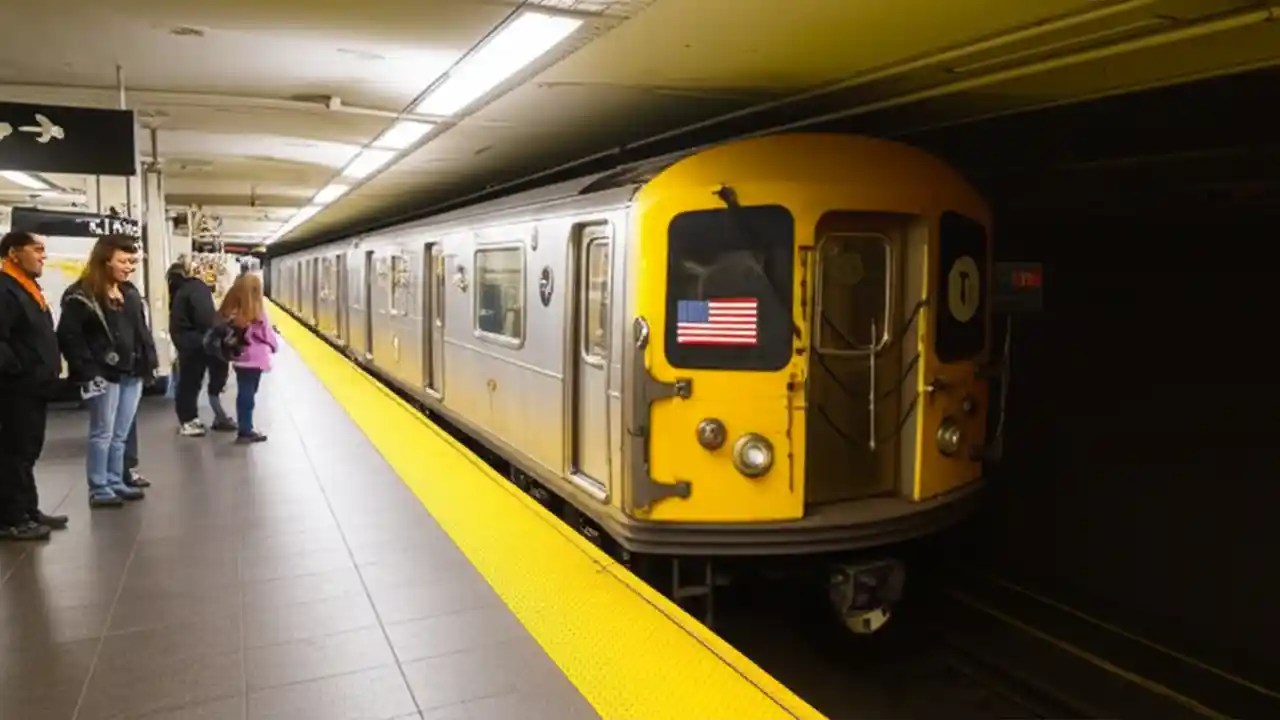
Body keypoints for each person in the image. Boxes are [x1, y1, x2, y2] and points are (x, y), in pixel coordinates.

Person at [57, 235, 155, 508]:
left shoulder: (129, 292)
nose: (129, 267)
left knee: (120, 432)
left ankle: (115, 480)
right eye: (123, 261)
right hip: (102, 375)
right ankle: (99, 487)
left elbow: (140, 331)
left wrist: (148, 363)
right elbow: (69, 336)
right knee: (102, 432)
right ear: (105, 260)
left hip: (131, 372)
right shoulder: (81, 295)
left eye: (132, 261)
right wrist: (89, 370)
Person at [0, 231, 68, 540]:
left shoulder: (25, 286)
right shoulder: (4, 288)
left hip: (34, 386)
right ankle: (12, 518)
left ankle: (28, 508)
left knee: (28, 449)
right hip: (17, 387)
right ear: (14, 253)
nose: (43, 256)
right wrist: (19, 370)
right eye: (36, 249)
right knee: (15, 451)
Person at [168, 259, 234, 435]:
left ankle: (189, 419)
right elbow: (206, 317)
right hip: (197, 343)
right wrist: (221, 330)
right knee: (192, 382)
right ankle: (189, 421)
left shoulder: (179, 290)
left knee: (187, 382)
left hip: (185, 342)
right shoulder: (196, 288)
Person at [218, 272, 277, 443]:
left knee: (244, 392)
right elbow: (266, 334)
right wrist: (274, 345)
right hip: (255, 359)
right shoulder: (257, 313)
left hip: (240, 358)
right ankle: (246, 429)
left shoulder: (233, 311)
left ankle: (245, 426)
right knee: (249, 394)